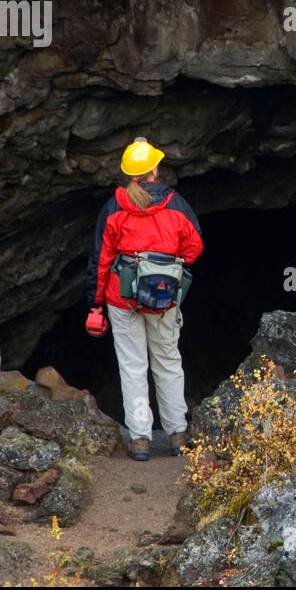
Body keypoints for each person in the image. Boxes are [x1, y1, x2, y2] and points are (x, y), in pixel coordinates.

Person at [85, 137, 203, 461]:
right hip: (164, 299)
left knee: (133, 367)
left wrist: (96, 304)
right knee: (168, 363)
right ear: (155, 168)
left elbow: (101, 260)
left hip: (122, 300)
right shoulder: (176, 205)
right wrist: (164, 264)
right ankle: (178, 434)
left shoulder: (114, 208)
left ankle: (140, 440)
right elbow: (194, 248)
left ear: (128, 173)